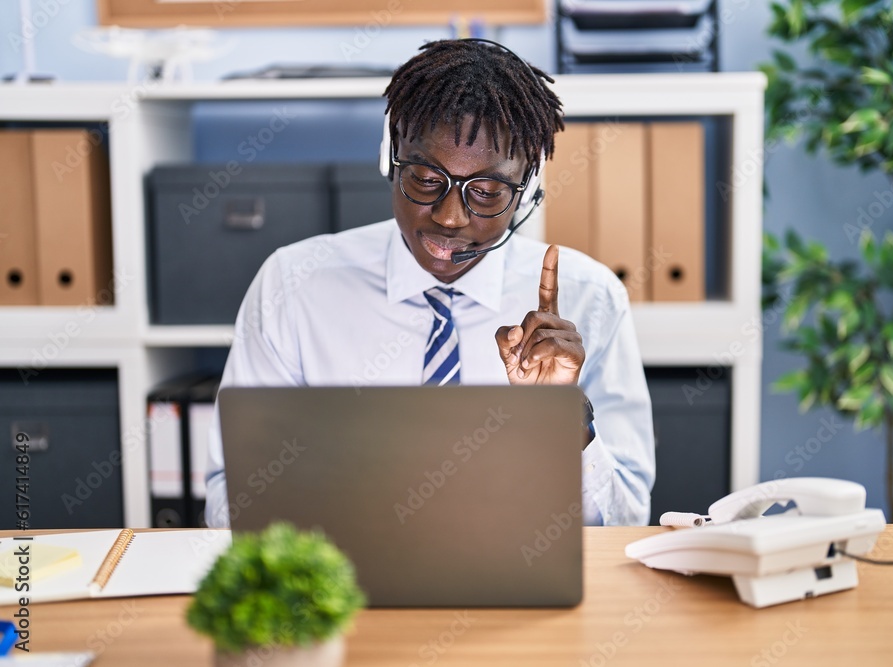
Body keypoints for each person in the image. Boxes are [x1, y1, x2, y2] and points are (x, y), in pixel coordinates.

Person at [204, 38, 655, 528]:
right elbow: (231, 500)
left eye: (486, 192)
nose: (449, 217)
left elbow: (627, 521)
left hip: (519, 587)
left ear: (528, 194)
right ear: (389, 158)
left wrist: (564, 417)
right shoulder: (293, 285)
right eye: (424, 178)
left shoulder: (592, 297)